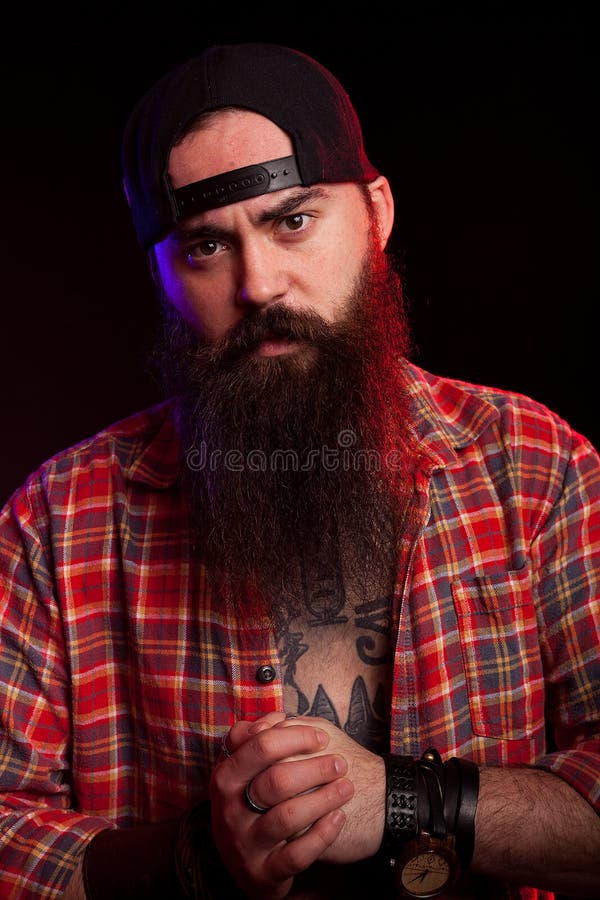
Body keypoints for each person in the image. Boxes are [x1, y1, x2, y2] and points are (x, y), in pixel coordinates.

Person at [0, 41, 598, 900]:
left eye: (292, 220)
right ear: (161, 274)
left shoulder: (539, 470)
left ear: (378, 214)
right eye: (205, 245)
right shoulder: (56, 524)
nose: (261, 284)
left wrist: (403, 802)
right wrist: (188, 860)